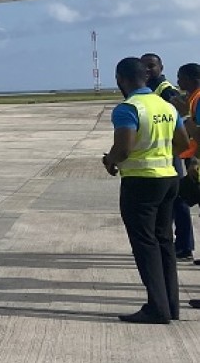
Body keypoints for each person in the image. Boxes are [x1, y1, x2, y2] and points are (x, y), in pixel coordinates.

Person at [102, 57, 187, 323]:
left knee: (145, 244)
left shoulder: (128, 108)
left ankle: (156, 308)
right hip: (169, 178)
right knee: (164, 242)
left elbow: (124, 148)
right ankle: (171, 305)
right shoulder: (166, 105)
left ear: (120, 79)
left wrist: (110, 160)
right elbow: (183, 143)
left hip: (140, 183)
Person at [174, 63, 200, 263]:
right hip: (192, 156)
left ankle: (184, 246)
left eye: (181, 77)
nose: (178, 82)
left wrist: (195, 160)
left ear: (194, 80)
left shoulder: (198, 99)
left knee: (181, 197)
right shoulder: (192, 98)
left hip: (196, 158)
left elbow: (198, 134)